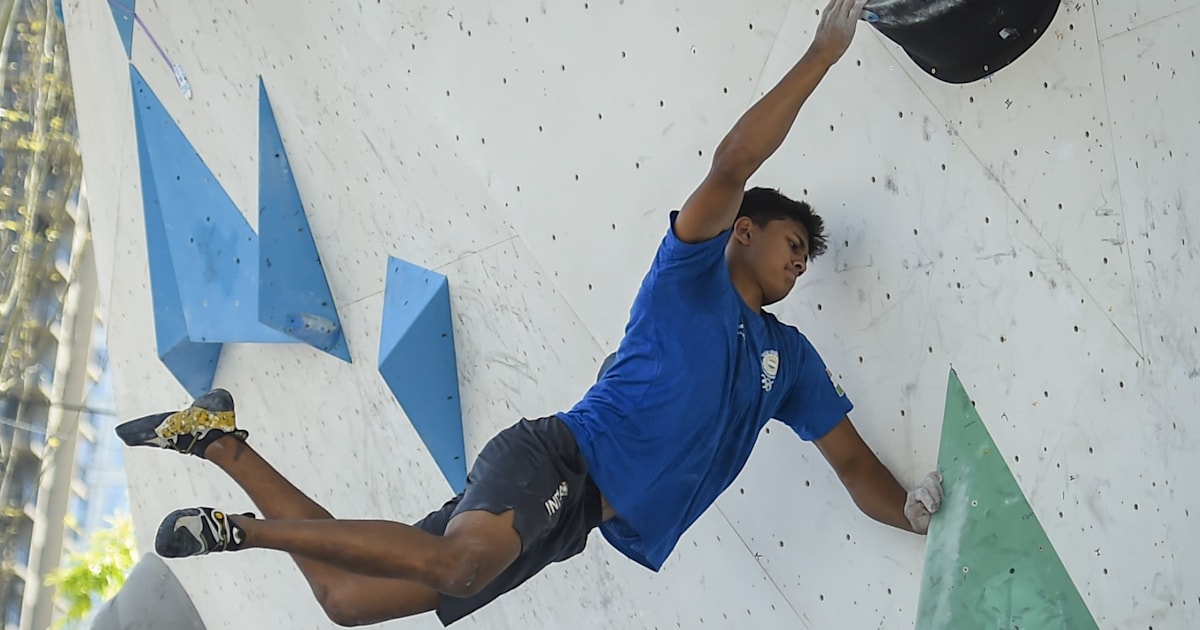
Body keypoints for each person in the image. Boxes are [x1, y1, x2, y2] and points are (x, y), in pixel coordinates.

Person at [116, 0, 943, 625]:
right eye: (792, 241)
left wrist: (911, 514)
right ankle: (236, 532)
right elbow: (734, 161)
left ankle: (218, 441)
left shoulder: (786, 362)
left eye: (809, 257)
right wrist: (822, 54)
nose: (801, 260)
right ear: (744, 232)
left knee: (346, 601)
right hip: (558, 460)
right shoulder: (689, 273)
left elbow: (855, 468)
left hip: (571, 518)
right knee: (461, 567)